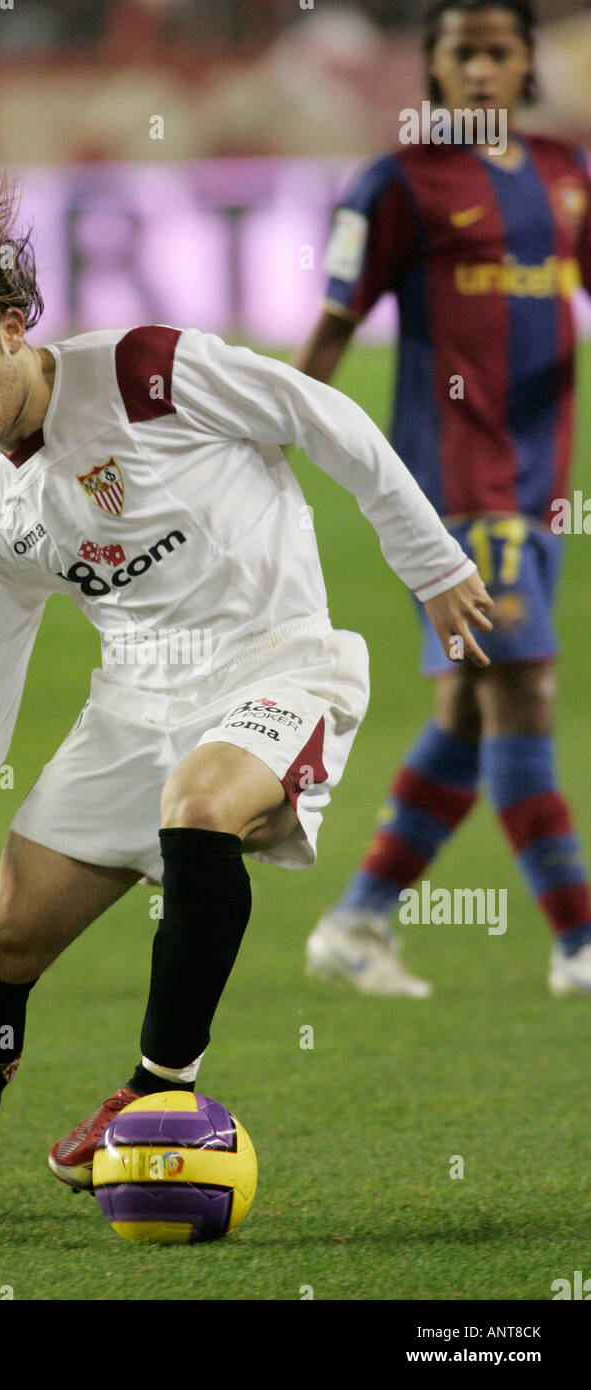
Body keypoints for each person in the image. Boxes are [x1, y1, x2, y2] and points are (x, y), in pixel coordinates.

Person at [0, 175, 491, 1227]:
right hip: (131, 706)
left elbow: (320, 416)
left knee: (198, 804)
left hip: (279, 664)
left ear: (14, 328)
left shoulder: (147, 372)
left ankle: (154, 1093)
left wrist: (429, 562)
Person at [300, 0, 591, 998]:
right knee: (523, 692)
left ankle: (355, 921)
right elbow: (332, 326)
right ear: (429, 67)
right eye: (456, 52)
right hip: (456, 487)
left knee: (470, 710)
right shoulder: (395, 184)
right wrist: (270, 433)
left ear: (522, 65)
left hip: (539, 482)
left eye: (495, 51)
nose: (476, 70)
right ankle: (577, 942)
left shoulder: (563, 176)